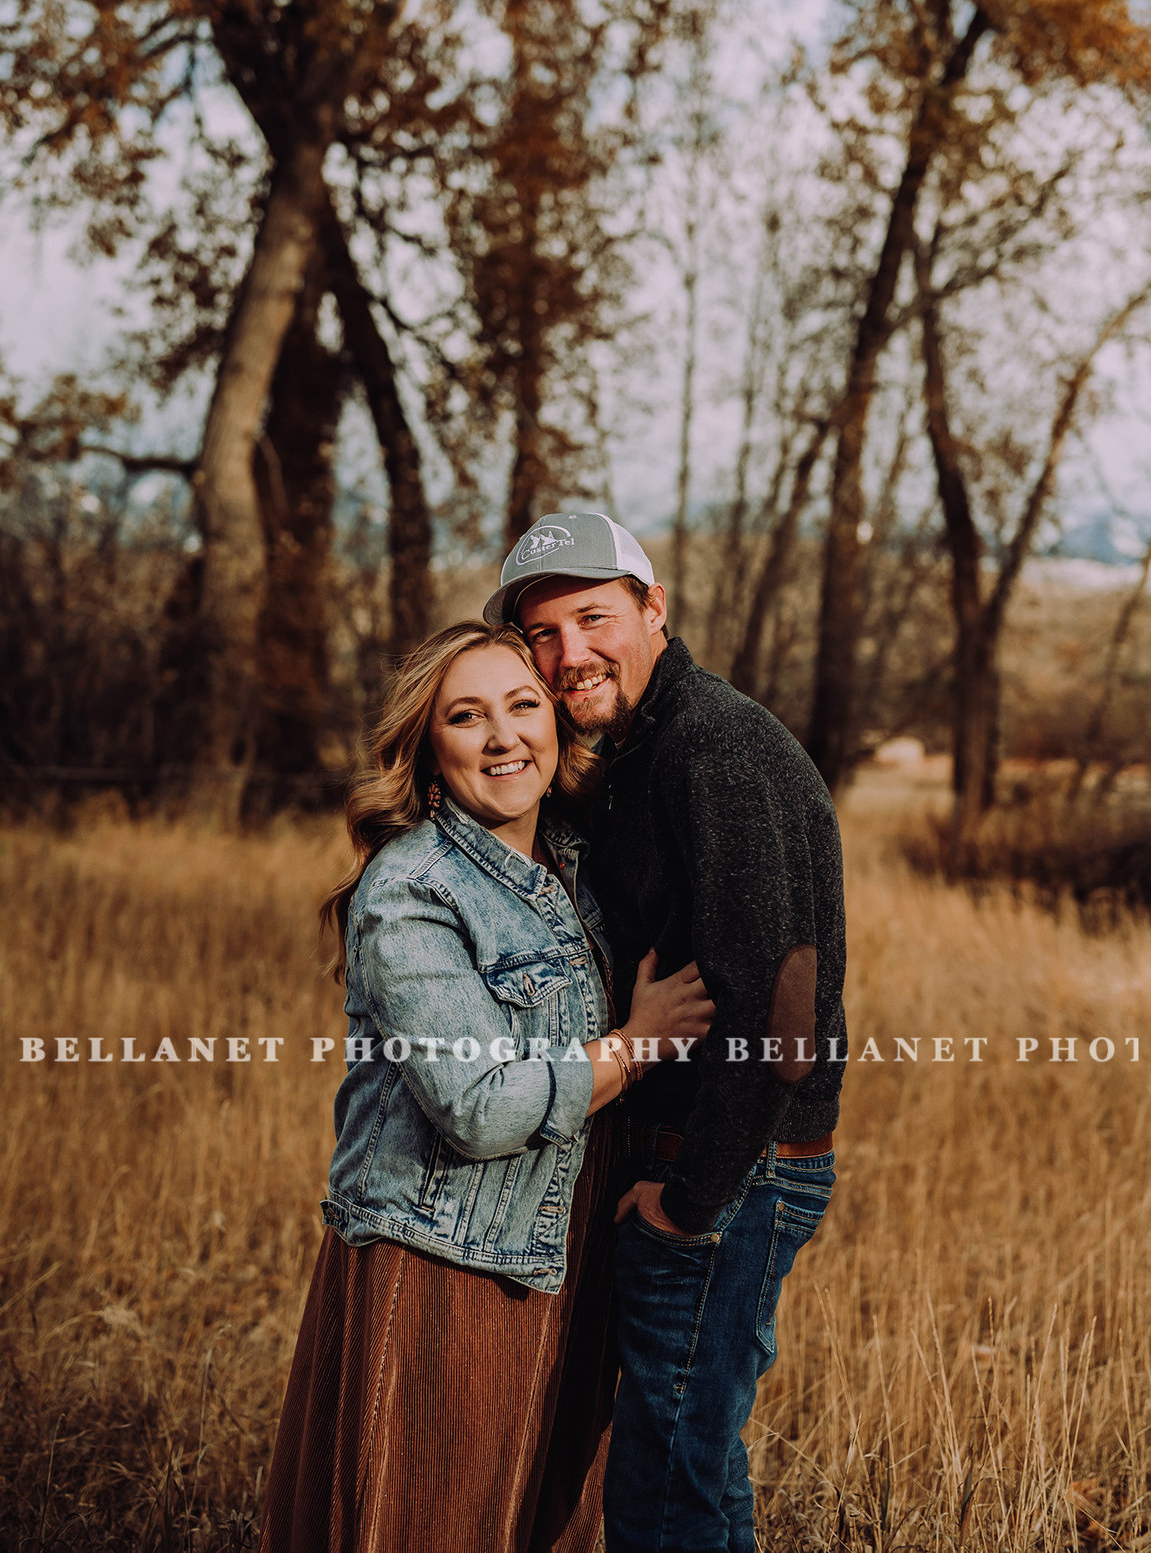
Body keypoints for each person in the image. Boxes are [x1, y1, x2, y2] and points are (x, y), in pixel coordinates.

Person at [259, 620, 714, 1553]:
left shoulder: (577, 865)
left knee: (538, 1523)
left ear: (556, 721)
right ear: (430, 753)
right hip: (444, 1268)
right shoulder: (411, 890)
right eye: (468, 717)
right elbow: (479, 1106)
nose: (503, 736)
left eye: (521, 705)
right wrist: (634, 1046)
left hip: (561, 1250)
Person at [484, 515, 848, 1553]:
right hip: (704, 1156)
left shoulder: (712, 746)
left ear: (653, 609)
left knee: (661, 1487)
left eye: (592, 617)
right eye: (540, 634)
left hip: (725, 1164)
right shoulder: (644, 747)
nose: (567, 656)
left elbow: (784, 1007)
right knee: (684, 1460)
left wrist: (688, 1200)